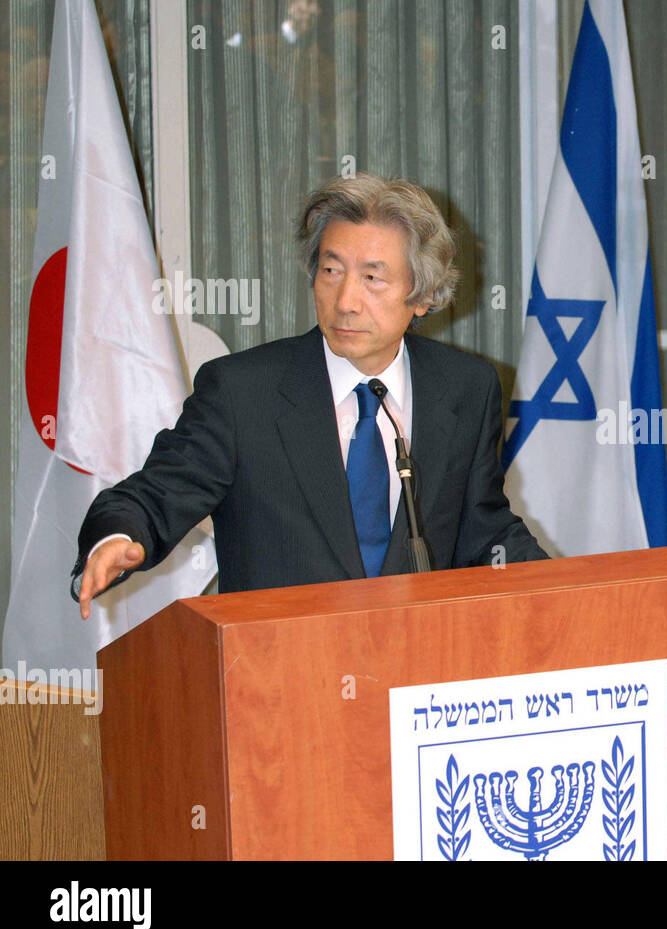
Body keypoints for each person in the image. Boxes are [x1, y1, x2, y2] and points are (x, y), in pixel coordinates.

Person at [73, 173, 547, 618]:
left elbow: (481, 528)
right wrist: (120, 535)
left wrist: (564, 589)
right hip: (278, 679)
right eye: (330, 271)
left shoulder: (465, 388)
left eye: (372, 279)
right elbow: (156, 493)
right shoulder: (243, 392)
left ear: (422, 296)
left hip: (415, 680)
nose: (344, 301)